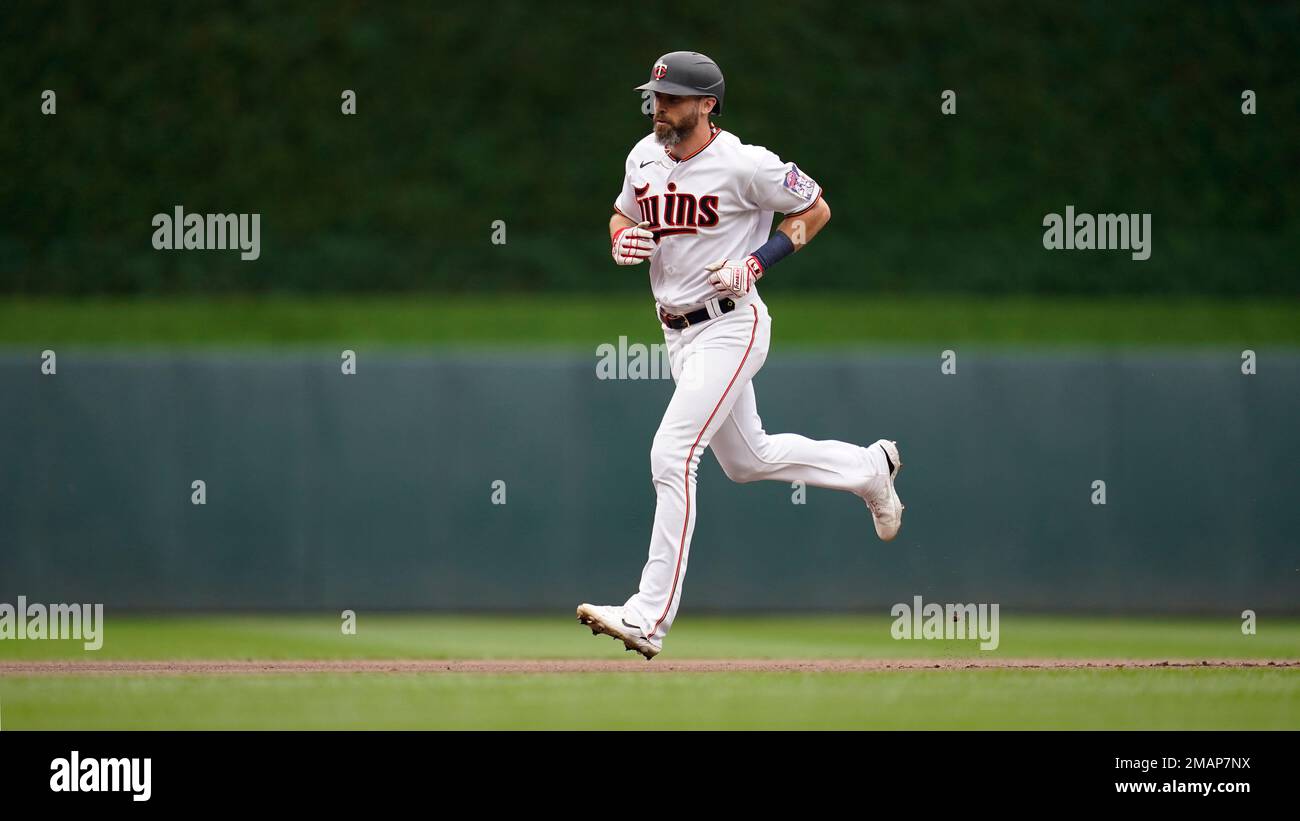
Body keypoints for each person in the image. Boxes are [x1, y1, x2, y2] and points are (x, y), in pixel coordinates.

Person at [578, 51, 903, 659]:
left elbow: (816, 209)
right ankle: (869, 470)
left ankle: (648, 617)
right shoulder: (641, 156)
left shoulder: (746, 165)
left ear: (707, 104)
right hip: (677, 333)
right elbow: (622, 212)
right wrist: (623, 238)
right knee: (748, 459)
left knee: (672, 451)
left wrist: (758, 261)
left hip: (733, 324)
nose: (660, 105)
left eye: (673, 97)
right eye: (656, 95)